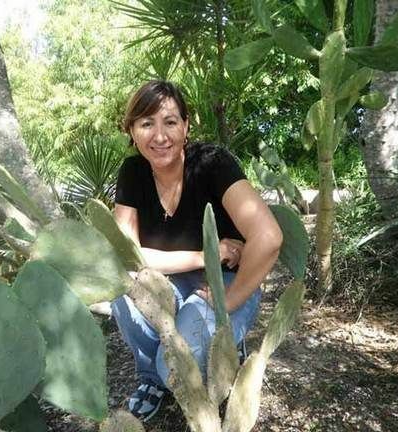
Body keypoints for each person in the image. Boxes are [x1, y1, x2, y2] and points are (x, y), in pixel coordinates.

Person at [111, 80, 283, 421]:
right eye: (147, 123)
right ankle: (150, 381)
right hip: (171, 283)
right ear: (131, 130)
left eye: (170, 122)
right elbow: (125, 255)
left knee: (171, 365)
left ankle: (225, 346)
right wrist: (207, 254)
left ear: (186, 126)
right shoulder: (133, 172)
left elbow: (268, 236)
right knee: (124, 294)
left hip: (223, 284)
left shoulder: (212, 163)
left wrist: (229, 298)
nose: (160, 136)